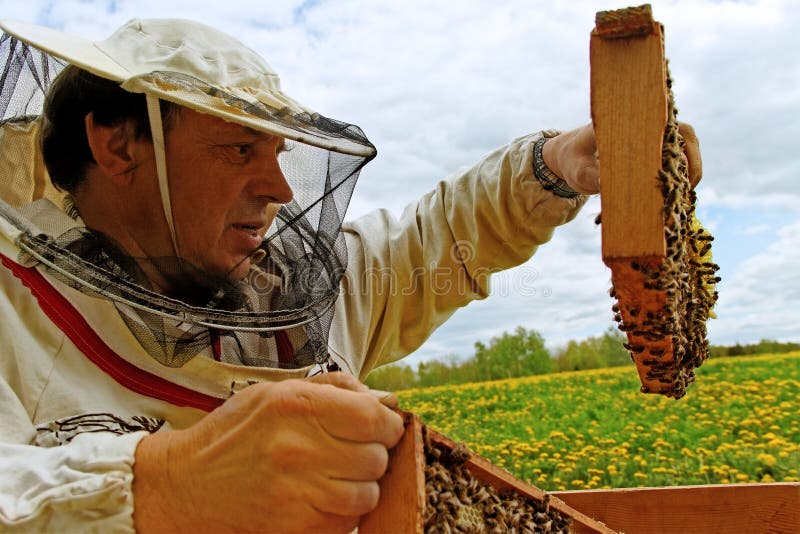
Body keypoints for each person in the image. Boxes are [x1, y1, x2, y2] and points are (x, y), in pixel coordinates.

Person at [0, 18, 701, 532]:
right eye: (240, 147)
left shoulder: (290, 288)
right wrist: (164, 485)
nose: (278, 186)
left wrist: (555, 165)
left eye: (278, 152)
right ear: (118, 144)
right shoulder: (14, 308)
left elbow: (440, 239)